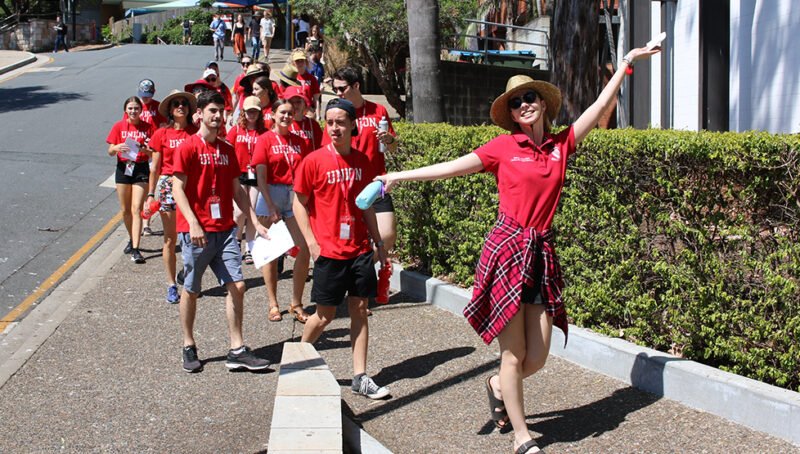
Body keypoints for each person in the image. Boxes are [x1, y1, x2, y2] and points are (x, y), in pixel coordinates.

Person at [375, 46, 660, 454]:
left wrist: (627, 62)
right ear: (510, 113)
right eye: (516, 102)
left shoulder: (562, 147)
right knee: (513, 353)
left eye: (530, 97)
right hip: (508, 251)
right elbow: (451, 167)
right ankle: (523, 437)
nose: (524, 104)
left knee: (538, 356)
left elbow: (598, 108)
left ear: (543, 104)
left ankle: (495, 385)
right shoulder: (502, 148)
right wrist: (400, 175)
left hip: (541, 253)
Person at [293, 98, 390, 399]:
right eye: (330, 121)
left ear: (353, 125)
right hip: (329, 250)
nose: (334, 127)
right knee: (324, 315)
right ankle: (296, 365)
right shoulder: (313, 161)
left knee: (360, 309)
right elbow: (299, 202)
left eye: (340, 121)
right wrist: (310, 242)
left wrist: (378, 241)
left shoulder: (364, 162)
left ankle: (360, 377)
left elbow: (367, 206)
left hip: (359, 248)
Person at [172, 90, 271, 373]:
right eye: (212, 111)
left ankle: (237, 349)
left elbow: (236, 191)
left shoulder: (228, 150)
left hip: (225, 229)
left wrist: (254, 221)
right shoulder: (188, 147)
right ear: (200, 114)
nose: (217, 116)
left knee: (238, 285)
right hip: (197, 231)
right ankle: (189, 345)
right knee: (191, 289)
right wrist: (192, 222)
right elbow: (178, 188)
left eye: (221, 111)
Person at [325, 67, 398, 266]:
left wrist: (390, 139)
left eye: (342, 89)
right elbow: (326, 152)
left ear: (356, 85)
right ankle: (354, 280)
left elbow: (392, 148)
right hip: (345, 184)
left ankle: (361, 270)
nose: (338, 94)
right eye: (335, 90)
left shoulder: (378, 111)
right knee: (347, 239)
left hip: (375, 183)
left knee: (388, 235)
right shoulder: (336, 116)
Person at [252, 99, 312, 323]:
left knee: (304, 247)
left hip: (294, 195)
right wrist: (270, 205)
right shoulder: (264, 140)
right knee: (271, 252)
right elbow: (261, 176)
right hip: (271, 194)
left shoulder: (300, 141)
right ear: (273, 115)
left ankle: (296, 303)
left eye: (290, 113)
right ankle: (273, 303)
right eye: (282, 113)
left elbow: (306, 171)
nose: (287, 116)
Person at [147, 90, 198, 303]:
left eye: (184, 103)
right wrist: (150, 194)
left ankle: (187, 276)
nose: (180, 106)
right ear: (169, 109)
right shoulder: (161, 134)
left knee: (193, 239)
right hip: (168, 184)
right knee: (170, 239)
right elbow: (155, 167)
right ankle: (171, 284)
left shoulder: (196, 133)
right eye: (176, 103)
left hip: (192, 186)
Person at [106, 97, 156, 264]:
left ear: (141, 111)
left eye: (136, 108)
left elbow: (154, 152)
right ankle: (131, 238)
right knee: (125, 210)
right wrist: (116, 147)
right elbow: (110, 151)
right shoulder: (118, 126)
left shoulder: (148, 127)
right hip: (123, 168)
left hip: (141, 168)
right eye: (130, 108)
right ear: (125, 110)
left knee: (136, 209)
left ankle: (136, 248)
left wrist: (144, 150)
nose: (133, 111)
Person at [226, 96, 266, 266]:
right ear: (243, 112)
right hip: (239, 173)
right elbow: (228, 150)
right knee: (239, 212)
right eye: (249, 111)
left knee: (253, 211)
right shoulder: (236, 130)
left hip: (256, 174)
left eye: (255, 111)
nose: (251, 114)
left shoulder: (264, 132)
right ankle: (235, 242)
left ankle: (250, 248)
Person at [285, 85, 322, 151]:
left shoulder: (313, 125)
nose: (295, 105)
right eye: (291, 102)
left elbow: (320, 148)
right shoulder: (283, 124)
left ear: (304, 103)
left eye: (298, 102)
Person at [290, 48, 321, 120]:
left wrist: (318, 115)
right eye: (297, 61)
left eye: (302, 61)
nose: (300, 63)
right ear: (293, 63)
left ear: (306, 62)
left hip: (308, 112)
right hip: (293, 111)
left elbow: (316, 99)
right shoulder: (289, 78)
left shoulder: (312, 79)